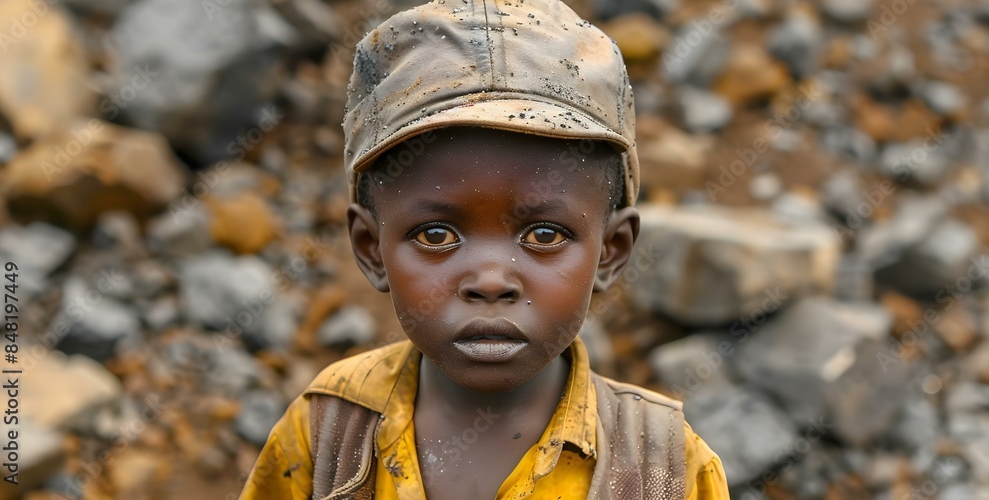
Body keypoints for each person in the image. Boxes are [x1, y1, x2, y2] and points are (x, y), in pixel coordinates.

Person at [239, 0, 728, 498]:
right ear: (370, 248)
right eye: (435, 235)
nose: (491, 280)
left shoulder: (664, 471)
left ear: (611, 250)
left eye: (544, 235)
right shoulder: (329, 432)